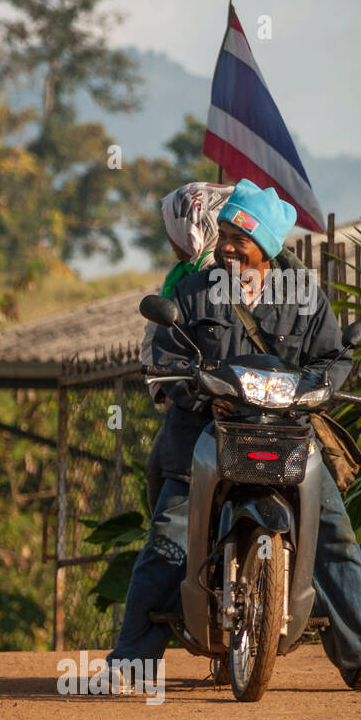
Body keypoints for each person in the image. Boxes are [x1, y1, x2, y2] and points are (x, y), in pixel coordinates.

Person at [112, 178, 361, 692]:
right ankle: (130, 663)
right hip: (203, 438)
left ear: (267, 248)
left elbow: (331, 359)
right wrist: (201, 391)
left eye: (240, 238)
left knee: (334, 536)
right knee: (169, 538)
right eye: (224, 233)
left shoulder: (305, 299)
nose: (227, 246)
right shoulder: (190, 290)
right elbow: (166, 355)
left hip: (286, 436)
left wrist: (317, 391)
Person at [140, 183, 232, 512]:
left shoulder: (213, 276)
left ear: (195, 227)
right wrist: (169, 389)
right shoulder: (182, 273)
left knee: (162, 473)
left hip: (215, 399)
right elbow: (162, 338)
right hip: (186, 396)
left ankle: (166, 549)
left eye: (172, 229)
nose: (169, 238)